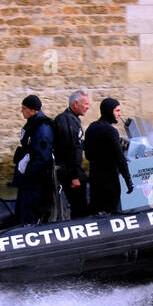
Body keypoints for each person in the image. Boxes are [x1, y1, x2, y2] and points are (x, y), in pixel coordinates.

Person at [84, 97, 133, 215]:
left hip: (94, 178)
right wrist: (128, 180)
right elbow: (120, 159)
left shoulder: (91, 127)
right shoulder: (111, 131)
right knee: (110, 212)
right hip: (109, 180)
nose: (119, 114)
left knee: (96, 211)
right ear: (109, 111)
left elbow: (88, 154)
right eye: (117, 111)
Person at [11, 94, 54, 225]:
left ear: (33, 110)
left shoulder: (42, 128)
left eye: (24, 108)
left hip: (35, 179)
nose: (21, 111)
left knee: (29, 211)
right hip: (28, 178)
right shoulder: (32, 124)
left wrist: (29, 173)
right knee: (22, 209)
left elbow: (43, 157)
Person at [53, 89, 91, 218]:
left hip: (71, 170)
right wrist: (74, 177)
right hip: (71, 172)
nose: (88, 107)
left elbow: (77, 144)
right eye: (85, 104)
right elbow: (71, 148)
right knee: (79, 207)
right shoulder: (67, 121)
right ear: (75, 104)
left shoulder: (71, 119)